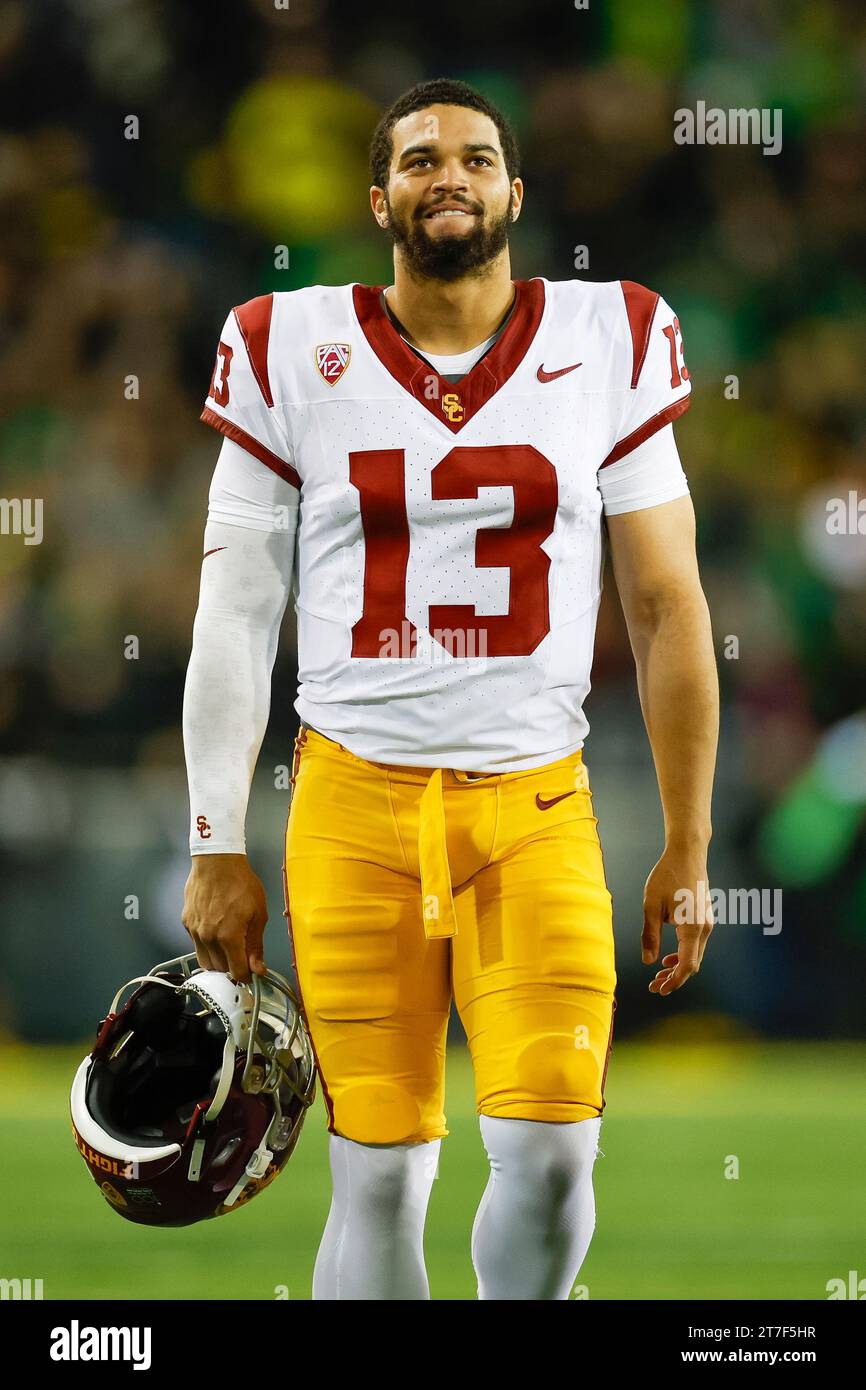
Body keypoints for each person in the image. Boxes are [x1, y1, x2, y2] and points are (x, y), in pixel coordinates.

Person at [182, 78, 718, 1300]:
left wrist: (687, 836)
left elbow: (665, 604)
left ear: (513, 193)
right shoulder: (284, 342)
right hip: (350, 809)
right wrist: (214, 837)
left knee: (548, 1155)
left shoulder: (611, 334)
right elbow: (235, 608)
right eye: (419, 159)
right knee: (378, 1173)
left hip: (533, 808)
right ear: (380, 200)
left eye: (476, 158)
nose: (450, 176)